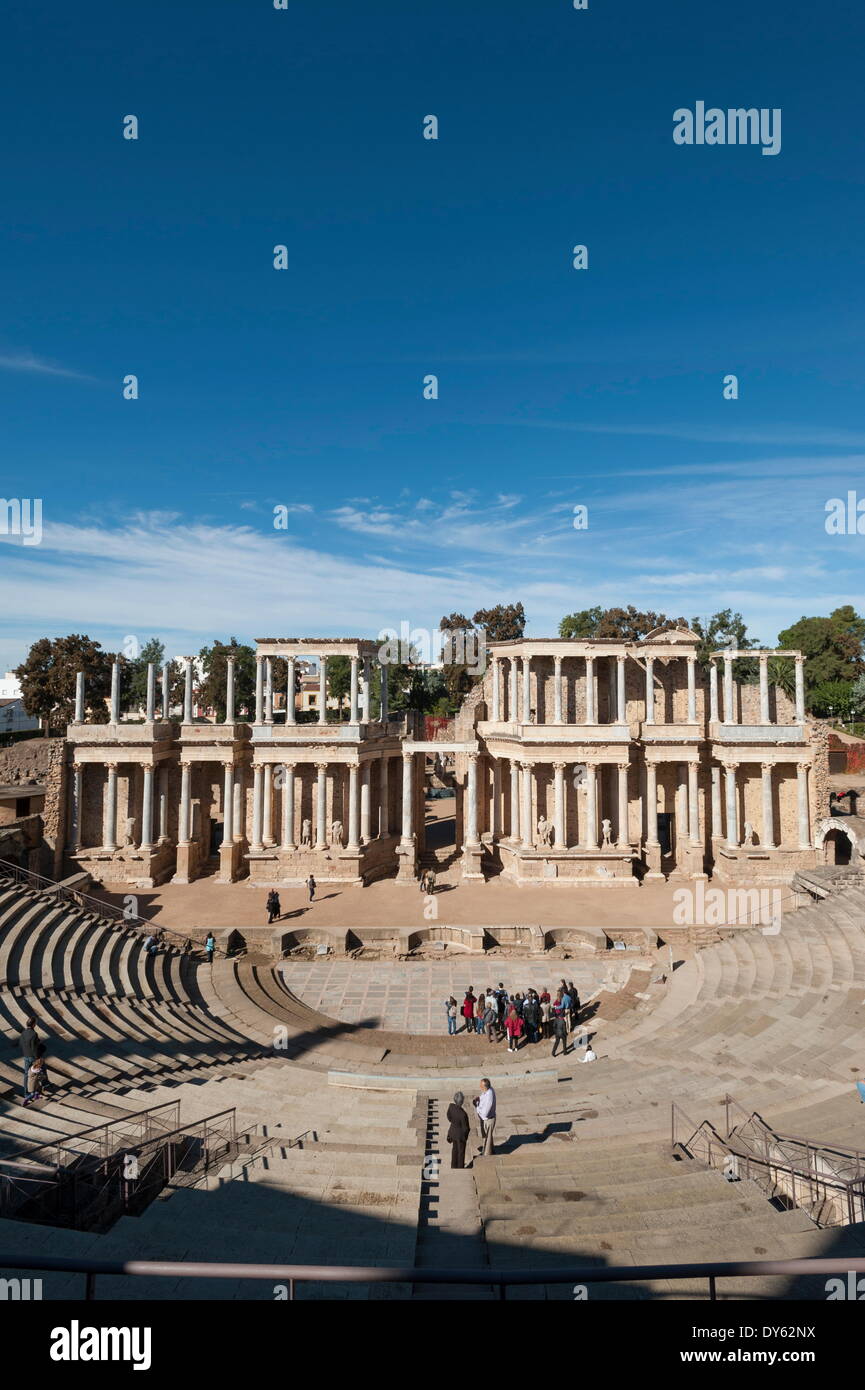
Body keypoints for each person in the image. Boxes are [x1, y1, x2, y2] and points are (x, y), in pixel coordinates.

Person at [446, 1091, 470, 1169]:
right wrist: (465, 1137)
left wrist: (454, 1122)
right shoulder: (463, 1114)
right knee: (461, 1152)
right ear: (462, 1101)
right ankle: (460, 1167)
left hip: (453, 1132)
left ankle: (453, 1165)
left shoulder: (451, 1107)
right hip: (460, 1135)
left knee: (454, 1149)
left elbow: (449, 1116)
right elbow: (466, 1128)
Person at [474, 1079, 496, 1156]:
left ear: (485, 1087)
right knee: (487, 1138)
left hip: (488, 1120)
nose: (479, 1086)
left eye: (481, 1085)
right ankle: (492, 1150)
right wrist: (479, 1099)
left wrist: (477, 1106)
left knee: (487, 1140)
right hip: (486, 1119)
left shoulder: (489, 1096)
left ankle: (487, 1155)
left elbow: (484, 1114)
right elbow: (483, 1096)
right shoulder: (488, 1090)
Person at [19, 1016, 38, 1099]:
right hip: (32, 1057)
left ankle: (25, 1093)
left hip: (26, 1055)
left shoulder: (23, 1032)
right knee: (36, 1074)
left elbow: (21, 1044)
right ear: (33, 1024)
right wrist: (37, 1058)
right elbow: (34, 1048)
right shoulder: (34, 1034)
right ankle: (35, 1091)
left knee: (26, 1074)